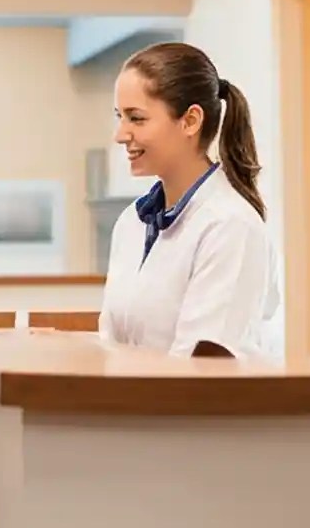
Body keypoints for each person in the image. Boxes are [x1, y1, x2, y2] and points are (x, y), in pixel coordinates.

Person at [101, 41, 281, 359]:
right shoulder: (131, 223)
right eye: (120, 116)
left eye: (136, 118)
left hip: (196, 408)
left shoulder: (230, 226)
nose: (120, 134)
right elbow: (112, 344)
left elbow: (199, 366)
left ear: (190, 121)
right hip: (134, 404)